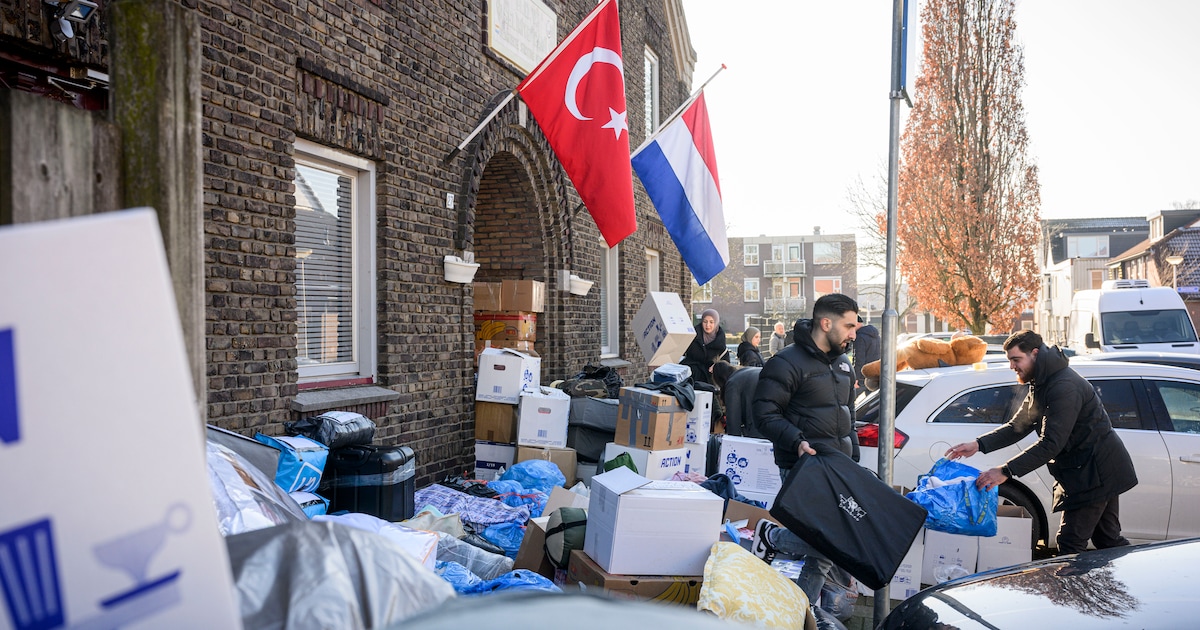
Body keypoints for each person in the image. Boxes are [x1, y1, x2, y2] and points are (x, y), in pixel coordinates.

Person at [945, 330, 1138, 554]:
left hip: (1095, 472)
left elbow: (1051, 443)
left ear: (1034, 354)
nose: (1012, 367)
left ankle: (1073, 589)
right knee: (1108, 540)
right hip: (1090, 470)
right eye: (1010, 360)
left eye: (1016, 360)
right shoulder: (1043, 381)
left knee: (1070, 542)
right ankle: (1127, 585)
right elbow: (1018, 426)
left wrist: (1006, 470)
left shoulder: (1063, 386)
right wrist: (978, 445)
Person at [749, 294, 862, 605]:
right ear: (826, 323)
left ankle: (803, 612)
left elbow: (847, 413)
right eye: (849, 326)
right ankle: (772, 537)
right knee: (830, 542)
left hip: (838, 466)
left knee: (824, 553)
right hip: (803, 466)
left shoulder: (843, 363)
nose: (854, 333)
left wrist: (853, 456)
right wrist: (798, 440)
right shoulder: (785, 362)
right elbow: (763, 414)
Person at [711, 361, 763, 438]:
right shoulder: (746, 372)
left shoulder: (733, 383)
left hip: (758, 426)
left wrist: (733, 443)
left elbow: (733, 420)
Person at [682, 309, 726, 385]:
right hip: (690, 381)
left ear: (716, 323)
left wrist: (716, 367)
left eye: (711, 322)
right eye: (705, 322)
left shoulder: (721, 343)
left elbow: (725, 366)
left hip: (710, 384)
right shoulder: (693, 337)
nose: (707, 325)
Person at [851, 316, 880, 396]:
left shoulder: (860, 337)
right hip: (875, 374)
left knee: (850, 401)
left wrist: (856, 378)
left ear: (856, 324)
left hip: (863, 376)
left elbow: (859, 359)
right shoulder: (876, 336)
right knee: (872, 402)